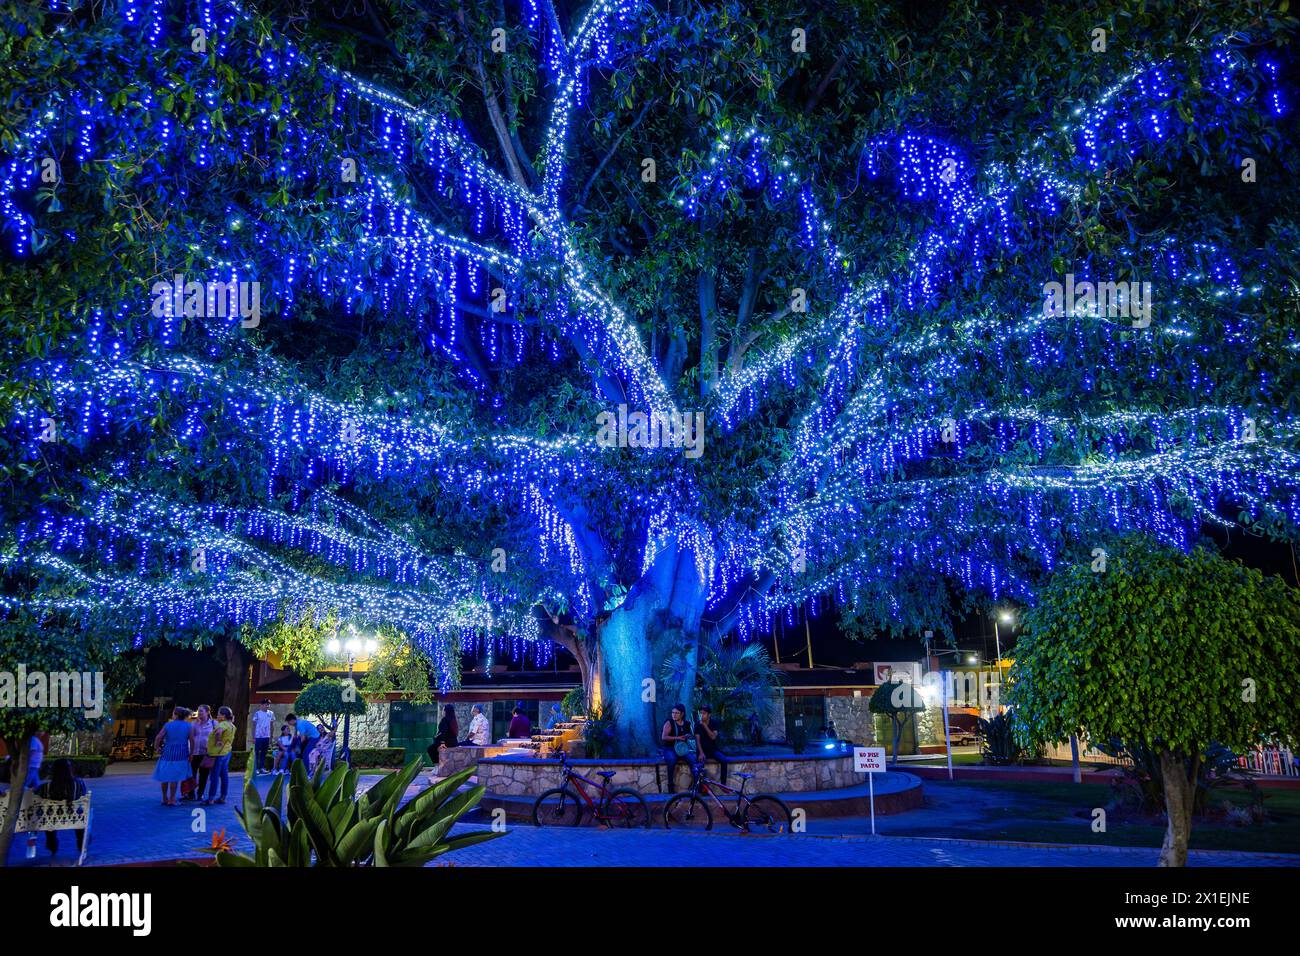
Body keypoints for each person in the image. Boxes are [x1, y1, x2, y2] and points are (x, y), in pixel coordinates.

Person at [34, 759, 88, 856]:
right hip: (74, 818)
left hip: (53, 820)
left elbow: (36, 798)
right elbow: (83, 796)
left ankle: (52, 845)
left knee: (48, 815)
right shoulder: (78, 784)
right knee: (79, 813)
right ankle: (81, 844)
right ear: (69, 769)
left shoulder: (45, 787)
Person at [152, 706, 193, 806]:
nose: (172, 715)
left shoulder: (168, 725)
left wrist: (157, 748)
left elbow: (158, 737)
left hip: (167, 753)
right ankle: (172, 799)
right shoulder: (188, 726)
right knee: (175, 778)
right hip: (181, 754)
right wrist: (191, 753)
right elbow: (192, 740)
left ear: (176, 715)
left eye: (173, 713)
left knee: (165, 777)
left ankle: (164, 798)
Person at [659, 703, 695, 793]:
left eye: (676, 713)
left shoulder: (687, 724)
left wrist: (688, 736)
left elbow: (690, 735)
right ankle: (670, 786)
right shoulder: (669, 722)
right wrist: (678, 738)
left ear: (682, 714)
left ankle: (696, 785)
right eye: (673, 713)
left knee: (692, 760)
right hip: (669, 748)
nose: (674, 715)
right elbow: (664, 737)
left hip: (682, 749)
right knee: (671, 760)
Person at [204, 706, 236, 804]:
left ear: (223, 716)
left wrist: (218, 740)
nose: (217, 716)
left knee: (214, 776)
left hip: (217, 754)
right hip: (226, 752)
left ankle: (211, 798)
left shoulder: (223, 724)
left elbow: (219, 732)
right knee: (224, 775)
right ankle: (222, 797)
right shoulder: (232, 726)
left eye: (218, 714)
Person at [186, 705, 215, 801]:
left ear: (207, 712)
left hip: (206, 753)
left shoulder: (214, 724)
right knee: (191, 774)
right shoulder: (194, 723)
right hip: (194, 752)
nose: (199, 713)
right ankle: (191, 794)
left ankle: (200, 794)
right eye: (198, 711)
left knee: (203, 775)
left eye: (201, 711)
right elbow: (191, 737)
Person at [694, 705, 729, 784]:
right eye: (701, 713)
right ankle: (700, 788)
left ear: (709, 715)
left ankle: (723, 784)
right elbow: (697, 740)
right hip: (701, 751)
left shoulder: (714, 723)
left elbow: (713, 737)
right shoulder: (697, 724)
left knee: (724, 760)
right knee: (699, 767)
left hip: (713, 750)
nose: (702, 715)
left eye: (704, 713)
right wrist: (701, 753)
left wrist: (704, 725)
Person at [251, 699, 275, 775]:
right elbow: (253, 725)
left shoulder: (271, 713)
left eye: (268, 704)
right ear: (261, 705)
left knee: (264, 753)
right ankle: (256, 769)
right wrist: (253, 737)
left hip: (266, 736)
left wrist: (271, 737)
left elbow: (272, 725)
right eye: (265, 704)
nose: (267, 706)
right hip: (258, 736)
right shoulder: (257, 714)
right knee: (257, 753)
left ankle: (262, 768)